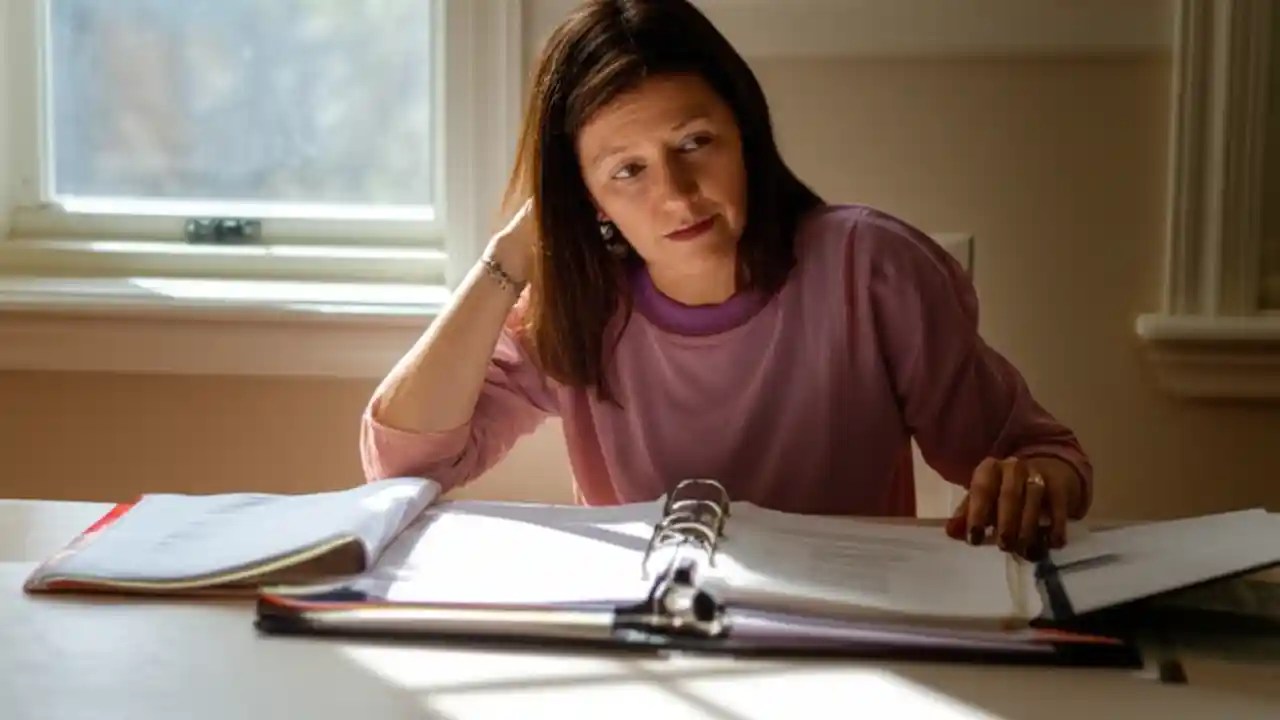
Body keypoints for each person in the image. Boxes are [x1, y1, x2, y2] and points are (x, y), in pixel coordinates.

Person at [360, 0, 1091, 560]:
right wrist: (508, 258)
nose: (677, 195)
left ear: (745, 130)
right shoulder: (575, 309)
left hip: (847, 647)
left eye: (695, 143)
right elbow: (402, 463)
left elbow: (1045, 457)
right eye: (628, 171)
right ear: (584, 195)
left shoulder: (871, 268)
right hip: (654, 652)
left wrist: (1033, 485)